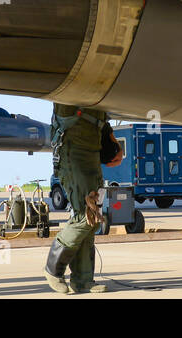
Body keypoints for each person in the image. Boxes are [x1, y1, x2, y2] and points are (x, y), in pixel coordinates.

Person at [45, 104, 124, 294]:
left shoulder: (99, 88)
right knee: (84, 215)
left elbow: (102, 118)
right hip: (73, 153)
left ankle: (83, 280)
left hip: (92, 152)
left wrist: (112, 143)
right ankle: (53, 269)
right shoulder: (73, 86)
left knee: (93, 217)